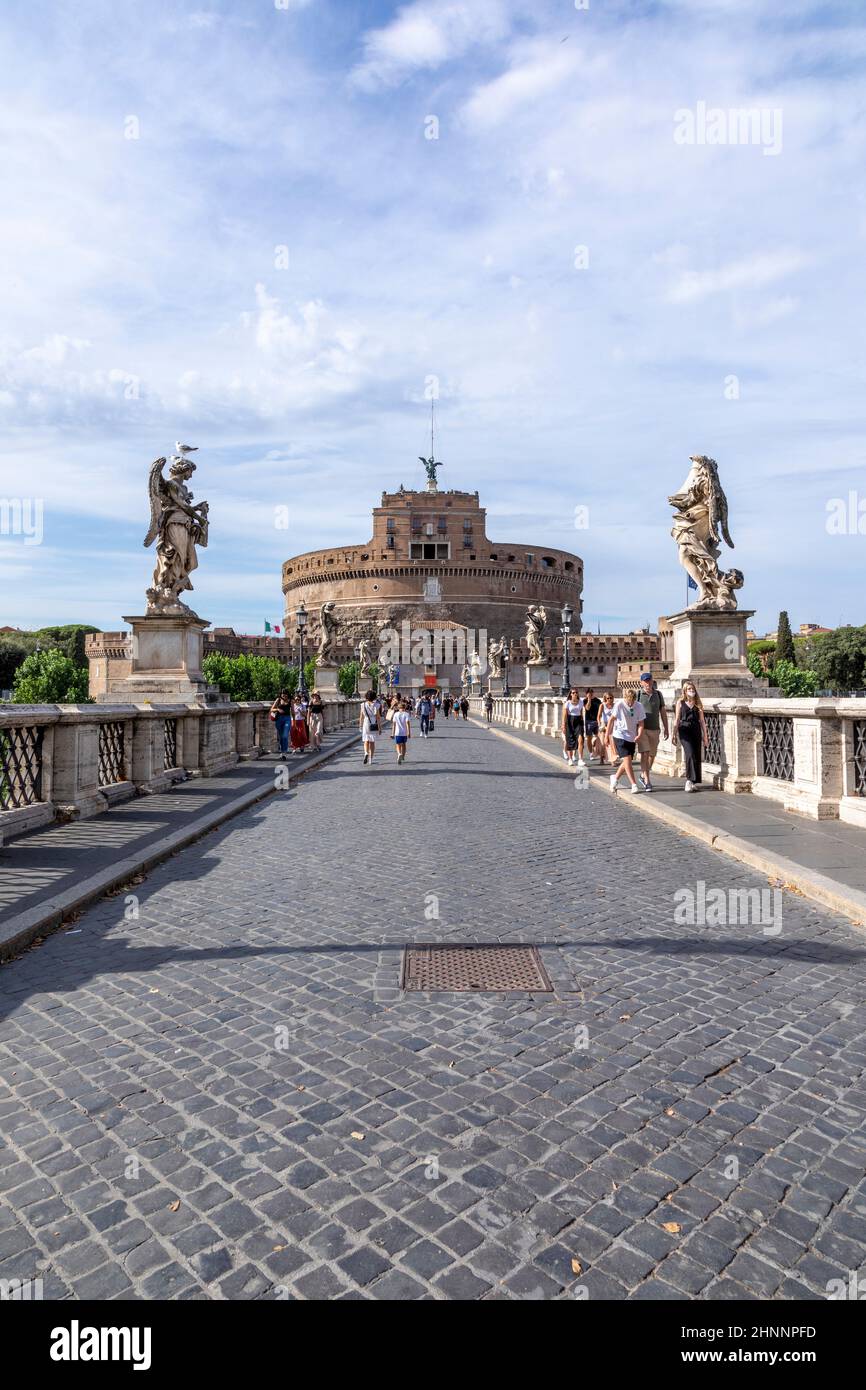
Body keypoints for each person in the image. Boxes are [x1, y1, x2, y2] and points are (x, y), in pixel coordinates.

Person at [672, 681, 708, 792]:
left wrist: (705, 736)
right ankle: (688, 780)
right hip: (684, 730)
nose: (691, 691)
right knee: (690, 753)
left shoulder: (698, 703)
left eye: (692, 689)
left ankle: (693, 781)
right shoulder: (680, 702)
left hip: (696, 730)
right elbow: (677, 719)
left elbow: (702, 721)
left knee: (696, 755)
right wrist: (674, 734)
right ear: (685, 691)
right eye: (689, 689)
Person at [636, 672, 669, 792]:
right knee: (645, 753)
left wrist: (666, 728)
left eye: (649, 680)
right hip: (642, 729)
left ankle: (643, 774)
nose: (648, 683)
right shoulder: (638, 694)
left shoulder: (658, 694)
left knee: (652, 754)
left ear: (652, 681)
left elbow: (663, 712)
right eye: (645, 681)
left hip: (655, 729)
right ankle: (647, 781)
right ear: (641, 683)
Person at [608, 688, 645, 793]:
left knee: (627, 761)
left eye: (632, 701)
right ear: (625, 698)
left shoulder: (639, 706)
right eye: (628, 701)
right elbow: (611, 720)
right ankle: (634, 784)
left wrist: (639, 735)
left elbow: (641, 723)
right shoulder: (619, 705)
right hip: (619, 735)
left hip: (631, 737)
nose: (630, 703)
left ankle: (615, 778)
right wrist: (607, 735)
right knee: (627, 759)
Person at [578, 687, 602, 766]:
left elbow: (601, 710)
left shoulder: (598, 701)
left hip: (597, 721)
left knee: (598, 737)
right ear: (586, 694)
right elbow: (587, 708)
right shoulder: (585, 701)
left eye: (591, 692)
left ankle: (595, 748)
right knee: (589, 738)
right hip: (589, 721)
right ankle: (591, 753)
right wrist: (589, 699)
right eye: (588, 693)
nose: (590, 694)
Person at [561, 688, 583, 766]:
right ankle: (570, 759)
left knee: (580, 740)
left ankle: (580, 759)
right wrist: (563, 725)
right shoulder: (567, 703)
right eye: (573, 693)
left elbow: (581, 712)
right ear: (571, 694)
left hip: (578, 721)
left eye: (576, 692)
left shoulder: (581, 702)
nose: (575, 694)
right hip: (570, 721)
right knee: (570, 740)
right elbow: (564, 715)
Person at [269, 688, 293, 760]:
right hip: (279, 719)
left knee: (285, 736)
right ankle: (282, 752)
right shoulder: (278, 700)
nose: (284, 696)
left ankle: (284, 752)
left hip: (287, 719)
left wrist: (294, 721)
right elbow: (271, 709)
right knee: (281, 736)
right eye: (283, 695)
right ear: (281, 694)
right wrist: (278, 709)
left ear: (287, 694)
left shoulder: (290, 700)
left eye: (285, 695)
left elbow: (293, 711)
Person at [359, 688, 380, 764]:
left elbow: (361, 716)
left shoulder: (363, 705)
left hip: (366, 722)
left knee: (366, 740)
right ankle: (371, 759)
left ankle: (366, 753)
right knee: (372, 742)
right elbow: (378, 717)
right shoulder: (376, 705)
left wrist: (360, 726)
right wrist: (380, 728)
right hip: (373, 722)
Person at [598, 692, 615, 766]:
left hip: (612, 725)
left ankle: (612, 760)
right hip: (604, 725)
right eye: (608, 698)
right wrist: (600, 725)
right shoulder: (602, 705)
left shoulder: (615, 705)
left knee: (612, 743)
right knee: (603, 743)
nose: (609, 699)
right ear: (605, 699)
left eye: (611, 698)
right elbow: (598, 716)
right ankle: (601, 758)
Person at [392, 698, 411, 764]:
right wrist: (409, 732)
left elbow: (394, 725)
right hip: (404, 732)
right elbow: (407, 724)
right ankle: (403, 756)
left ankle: (399, 753)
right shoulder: (406, 714)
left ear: (398, 708)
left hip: (397, 732)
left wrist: (392, 733)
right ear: (405, 707)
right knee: (404, 744)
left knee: (398, 744)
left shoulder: (395, 714)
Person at [307, 688, 325, 752]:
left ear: (318, 696)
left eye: (316, 695)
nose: (315, 696)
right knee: (312, 732)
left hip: (319, 716)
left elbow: (322, 711)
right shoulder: (311, 702)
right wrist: (308, 720)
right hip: (312, 716)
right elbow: (309, 712)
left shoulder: (321, 702)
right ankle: (314, 746)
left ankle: (318, 743)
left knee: (318, 731)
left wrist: (323, 717)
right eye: (314, 695)